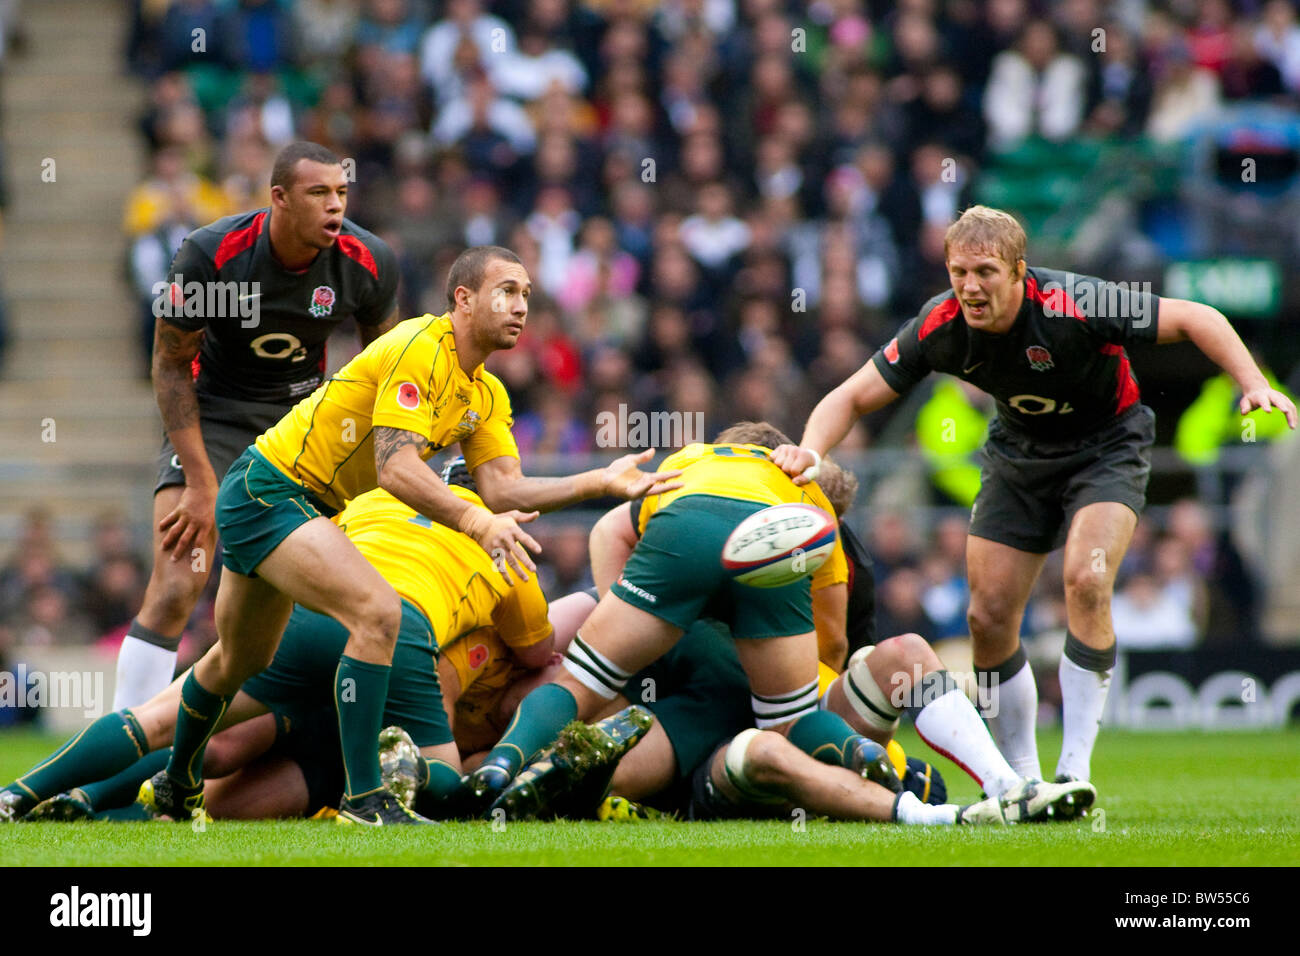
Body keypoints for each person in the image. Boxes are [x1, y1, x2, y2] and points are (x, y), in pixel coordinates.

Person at [139, 244, 680, 826]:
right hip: (272, 490)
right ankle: (365, 801)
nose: (521, 305)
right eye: (506, 291)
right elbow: (397, 467)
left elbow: (502, 488)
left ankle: (172, 784)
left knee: (233, 664)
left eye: (526, 294)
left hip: (301, 507)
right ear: (463, 300)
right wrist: (475, 523)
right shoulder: (422, 345)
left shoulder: (484, 392)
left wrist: (599, 479)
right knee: (378, 614)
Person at [772, 205, 1296, 787]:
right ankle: (1025, 783)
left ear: (1020, 271)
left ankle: (1074, 771)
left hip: (1107, 446)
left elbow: (1198, 317)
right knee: (987, 615)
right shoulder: (939, 324)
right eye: (959, 272)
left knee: (1087, 578)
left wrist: (1250, 383)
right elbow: (850, 396)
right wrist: (810, 452)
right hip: (1019, 455)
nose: (970, 286)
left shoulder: (1080, 301)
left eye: (986, 272)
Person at [0, 471, 554, 824]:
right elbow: (537, 650)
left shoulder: (374, 500)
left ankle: (23, 794)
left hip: (311, 619)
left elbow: (309, 545)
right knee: (450, 784)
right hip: (392, 636)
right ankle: (401, 779)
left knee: (167, 725)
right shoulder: (500, 540)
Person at [116, 141, 401, 713]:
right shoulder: (211, 255)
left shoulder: (368, 261)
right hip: (216, 416)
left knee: (268, 630)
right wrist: (200, 483)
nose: (335, 207)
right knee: (177, 586)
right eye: (318, 193)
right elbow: (171, 365)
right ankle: (115, 762)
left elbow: (388, 371)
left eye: (341, 193)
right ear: (279, 199)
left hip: (302, 428)